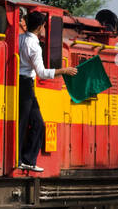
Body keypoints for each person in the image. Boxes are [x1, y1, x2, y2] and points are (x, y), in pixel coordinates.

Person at [18, 10, 77, 171]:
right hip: (26, 84)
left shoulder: (19, 39)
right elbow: (42, 73)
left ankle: (28, 160)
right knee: (24, 123)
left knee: (37, 123)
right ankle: (22, 160)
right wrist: (63, 71)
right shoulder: (34, 46)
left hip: (21, 84)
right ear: (41, 26)